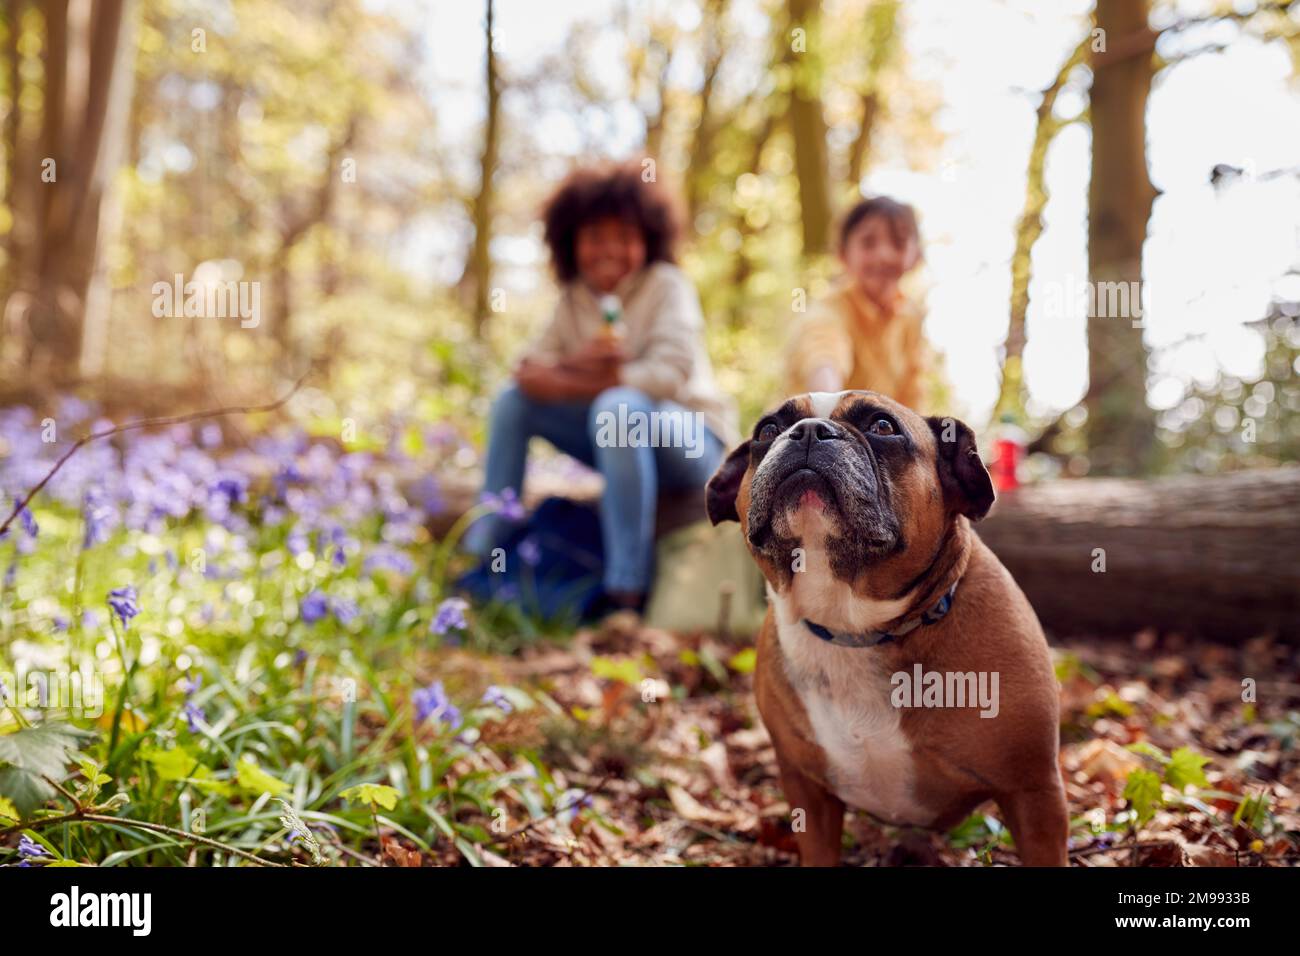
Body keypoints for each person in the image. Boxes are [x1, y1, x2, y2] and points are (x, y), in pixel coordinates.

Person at [464, 162, 736, 612]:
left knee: (619, 407)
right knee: (513, 402)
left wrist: (585, 381)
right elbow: (531, 370)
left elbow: (670, 375)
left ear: (648, 240)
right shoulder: (573, 300)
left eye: (623, 237)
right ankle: (481, 552)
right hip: (615, 436)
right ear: (571, 243)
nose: (609, 250)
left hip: (693, 442)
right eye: (595, 237)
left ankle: (625, 590)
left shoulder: (667, 285)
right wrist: (576, 364)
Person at [786, 196, 931, 410]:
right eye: (868, 242)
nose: (884, 254)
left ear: (916, 256)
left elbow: (912, 400)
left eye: (898, 243)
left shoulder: (910, 319)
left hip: (869, 440)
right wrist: (828, 408)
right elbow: (823, 358)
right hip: (812, 433)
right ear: (843, 253)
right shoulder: (828, 310)